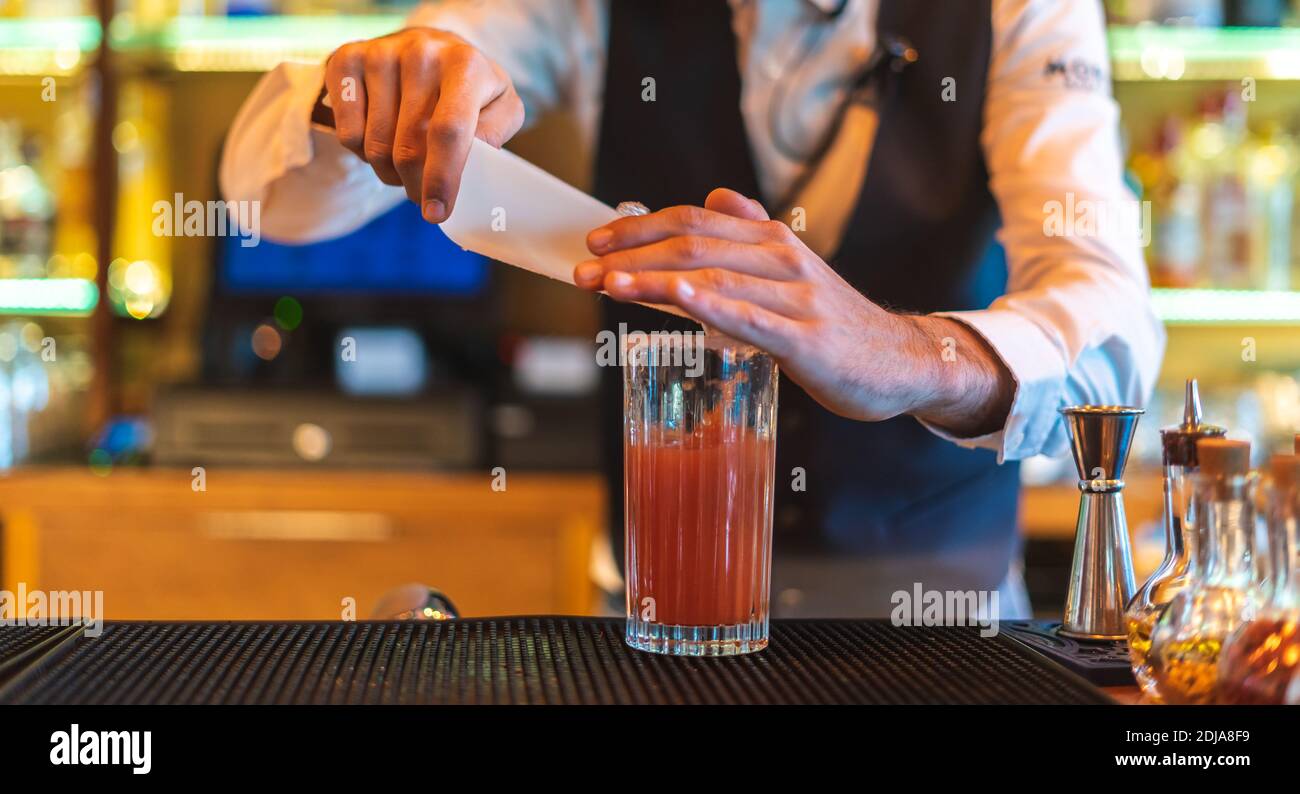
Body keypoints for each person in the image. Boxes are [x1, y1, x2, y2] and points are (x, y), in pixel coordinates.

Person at [220, 0, 1165, 618]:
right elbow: (275, 201)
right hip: (655, 627)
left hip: (940, 624)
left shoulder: (1023, 11)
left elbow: (1113, 319)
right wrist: (366, 96)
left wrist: (905, 357)